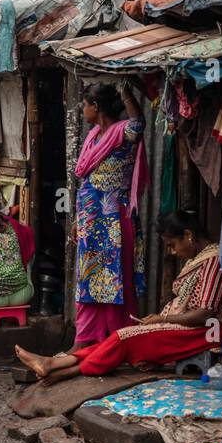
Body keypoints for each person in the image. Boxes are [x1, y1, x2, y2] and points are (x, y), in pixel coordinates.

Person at [16, 210, 222, 385]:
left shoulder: (214, 261)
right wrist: (162, 319)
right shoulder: (203, 258)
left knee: (122, 338)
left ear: (188, 235)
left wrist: (163, 320)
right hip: (187, 327)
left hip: (205, 332)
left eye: (173, 245)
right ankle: (53, 365)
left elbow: (205, 313)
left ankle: (65, 371)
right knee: (117, 339)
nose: (174, 252)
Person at [73, 81, 148, 347]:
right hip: (91, 219)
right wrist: (77, 219)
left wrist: (126, 90)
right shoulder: (94, 135)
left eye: (85, 104)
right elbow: (87, 180)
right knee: (89, 279)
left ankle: (120, 340)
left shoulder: (122, 132)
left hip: (114, 218)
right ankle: (87, 338)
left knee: (117, 279)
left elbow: (139, 123)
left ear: (96, 106)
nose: (82, 109)